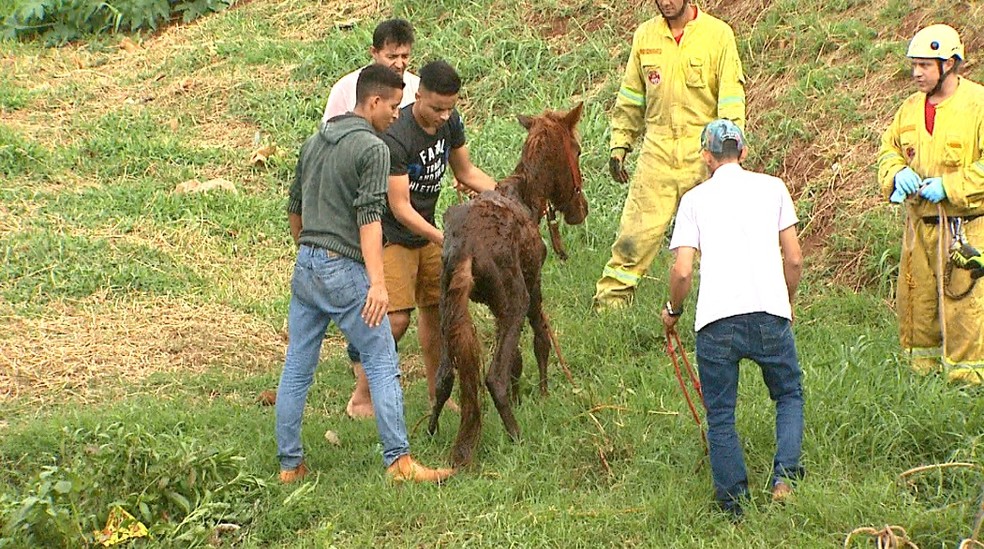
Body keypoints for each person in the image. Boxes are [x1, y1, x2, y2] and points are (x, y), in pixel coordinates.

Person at [277, 64, 453, 484]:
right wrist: (377, 283)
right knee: (381, 360)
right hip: (344, 268)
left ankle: (290, 465)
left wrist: (309, 251)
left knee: (298, 366)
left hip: (307, 267)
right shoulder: (374, 149)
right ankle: (399, 462)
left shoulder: (314, 140)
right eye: (394, 105)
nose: (397, 114)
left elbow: (295, 210)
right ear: (373, 102)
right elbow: (370, 219)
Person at [661, 120, 804, 517]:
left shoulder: (694, 200)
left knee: (721, 414)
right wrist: (786, 300)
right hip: (769, 314)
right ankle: (785, 480)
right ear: (743, 152)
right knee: (788, 395)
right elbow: (793, 258)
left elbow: (683, 272)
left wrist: (673, 311)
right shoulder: (773, 188)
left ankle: (734, 505)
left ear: (706, 156)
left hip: (716, 321)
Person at [345, 59, 498, 418]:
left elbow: (467, 172)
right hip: (393, 235)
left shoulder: (450, 123)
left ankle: (436, 393)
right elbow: (399, 207)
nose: (444, 116)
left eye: (451, 108)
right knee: (396, 320)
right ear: (418, 96)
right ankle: (361, 396)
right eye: (436, 108)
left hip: (428, 230)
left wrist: (504, 196)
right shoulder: (397, 136)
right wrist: (441, 238)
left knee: (437, 314)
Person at [593, 0, 746, 312]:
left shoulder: (718, 35)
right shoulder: (645, 37)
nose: (666, 2)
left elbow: (731, 98)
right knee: (633, 237)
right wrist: (620, 144)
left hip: (705, 155)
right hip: (657, 153)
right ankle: (610, 307)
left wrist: (728, 155)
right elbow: (631, 96)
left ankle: (726, 310)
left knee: (715, 240)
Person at [878, 24, 984, 385]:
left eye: (924, 65)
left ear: (950, 64)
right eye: (913, 65)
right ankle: (921, 387)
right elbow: (888, 151)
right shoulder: (908, 109)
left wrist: (950, 186)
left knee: (965, 312)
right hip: (918, 230)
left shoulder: (978, 105)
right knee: (917, 310)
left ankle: (967, 391)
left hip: (964, 230)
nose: (916, 73)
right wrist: (895, 174)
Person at [321, 18, 419, 124]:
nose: (399, 65)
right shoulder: (345, 89)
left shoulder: (416, 87)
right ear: (374, 52)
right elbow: (331, 130)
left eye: (404, 56)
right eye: (392, 57)